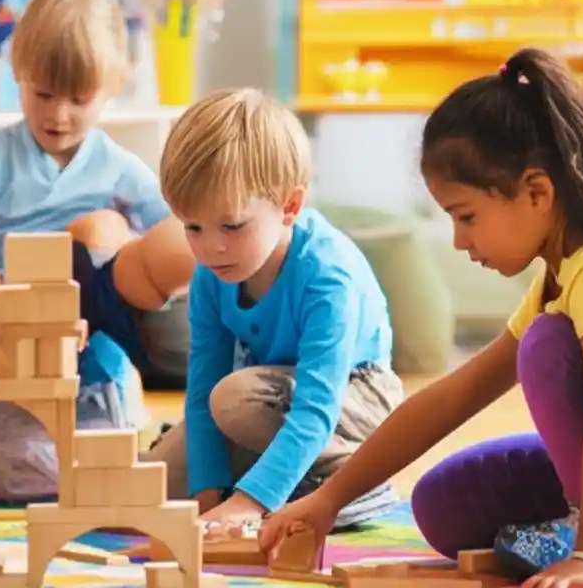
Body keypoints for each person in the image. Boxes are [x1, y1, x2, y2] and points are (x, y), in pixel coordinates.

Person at [258, 47, 583, 587]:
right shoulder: (563, 275)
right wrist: (328, 500)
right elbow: (453, 397)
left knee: (548, 346)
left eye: (468, 217)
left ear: (536, 193)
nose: (459, 241)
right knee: (443, 505)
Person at [0, 0, 198, 501]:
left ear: (111, 87)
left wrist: (124, 236)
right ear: (18, 74)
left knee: (146, 235)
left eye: (79, 100)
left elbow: (171, 232)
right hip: (8, 314)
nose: (58, 115)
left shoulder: (119, 167)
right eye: (43, 94)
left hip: (93, 317)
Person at [142, 87, 404, 533]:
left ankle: (353, 481)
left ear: (290, 206)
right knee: (156, 478)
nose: (210, 246)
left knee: (234, 399)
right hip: (265, 394)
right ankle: (285, 478)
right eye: (193, 227)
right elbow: (201, 387)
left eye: (231, 225)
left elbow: (317, 405)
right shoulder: (211, 274)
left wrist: (247, 502)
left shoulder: (326, 274)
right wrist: (209, 500)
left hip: (357, 396)